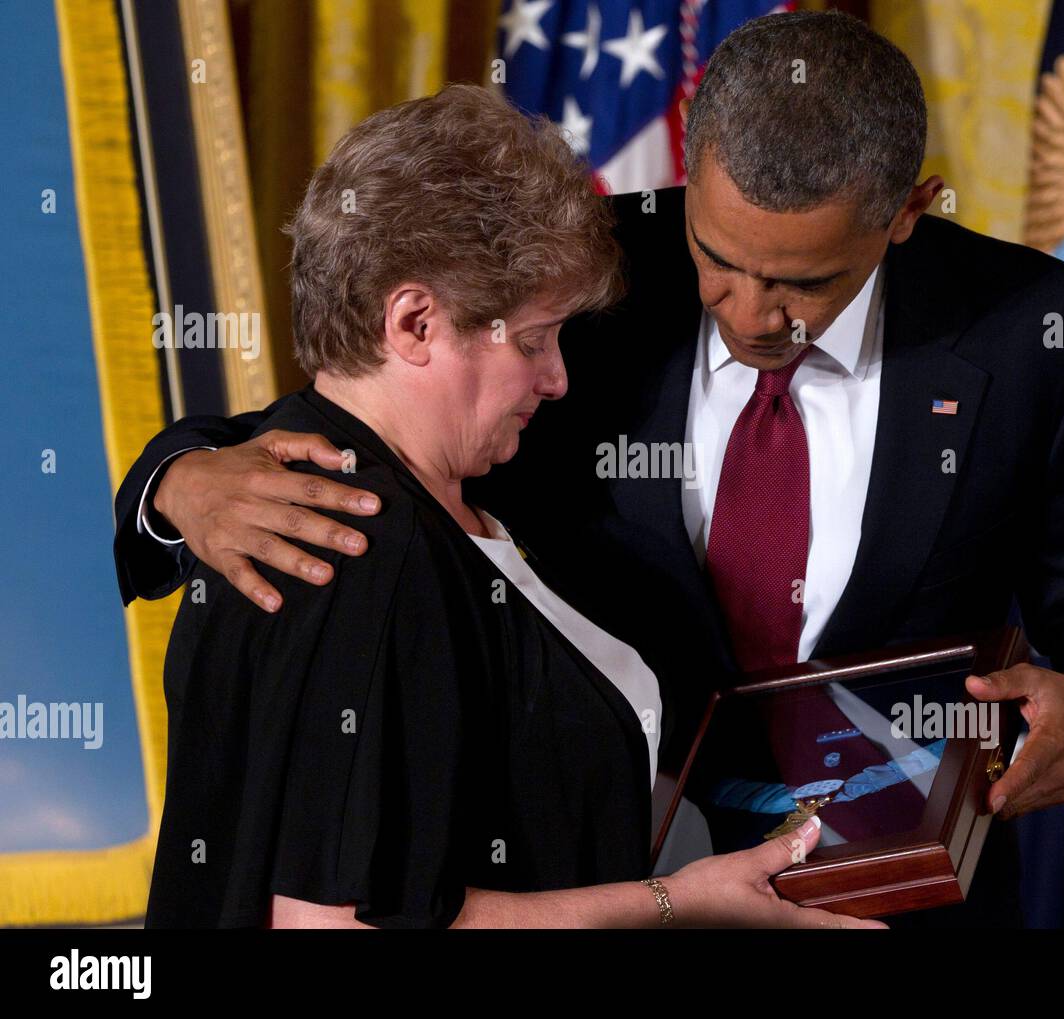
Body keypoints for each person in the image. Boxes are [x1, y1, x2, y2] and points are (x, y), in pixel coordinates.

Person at [120, 12, 1064, 928]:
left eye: (801, 283)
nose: (743, 312)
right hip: (601, 883)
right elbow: (366, 404)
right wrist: (175, 479)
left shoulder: (1032, 330)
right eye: (716, 257)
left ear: (907, 212)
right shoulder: (596, 273)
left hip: (891, 900)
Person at [143, 84, 880, 930]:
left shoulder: (362, 481)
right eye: (533, 341)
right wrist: (679, 904)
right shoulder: (353, 548)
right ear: (415, 322)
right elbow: (334, 925)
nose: (559, 378)